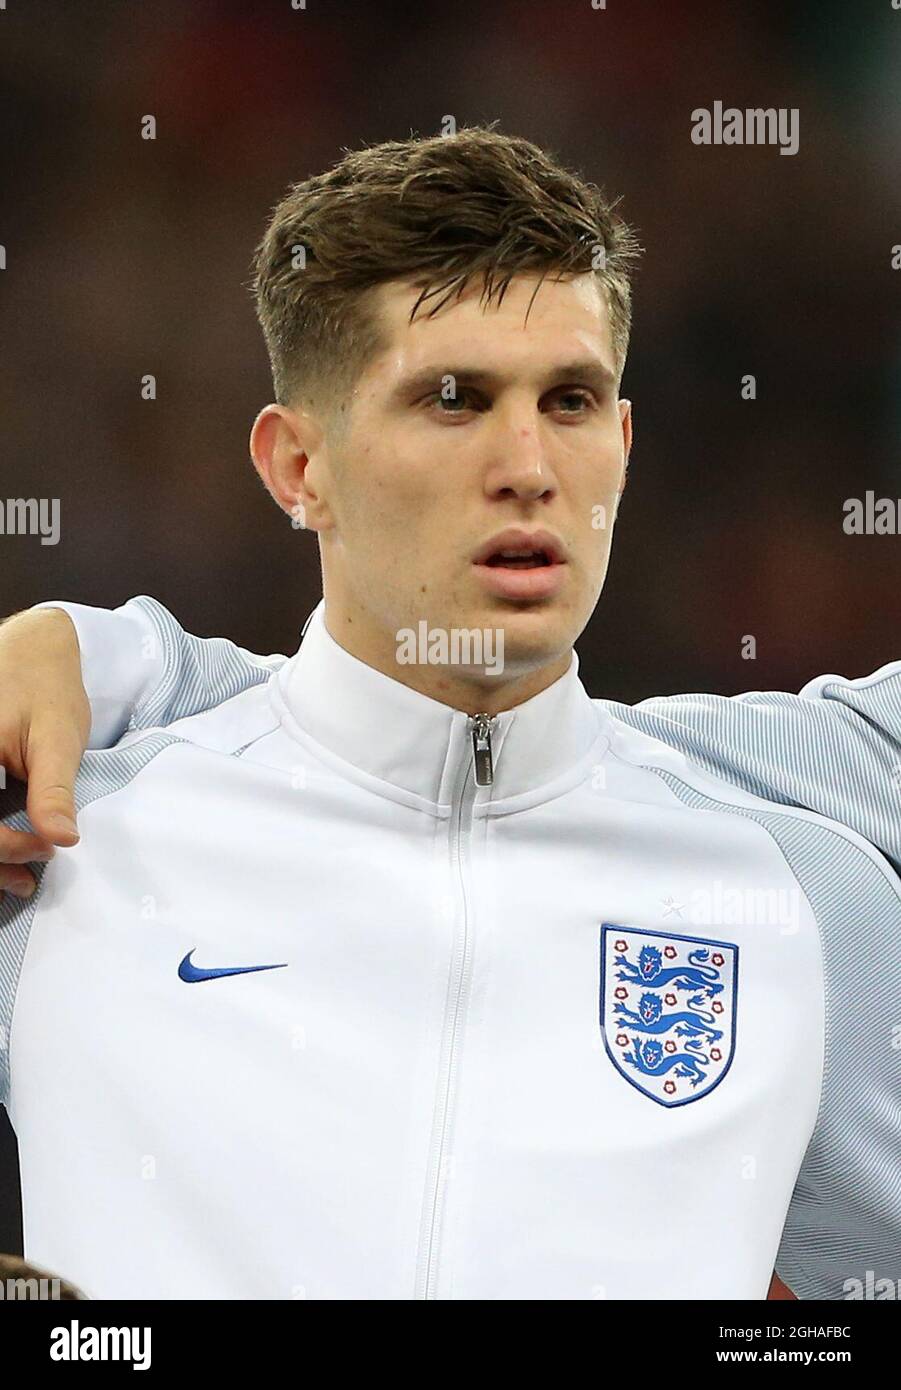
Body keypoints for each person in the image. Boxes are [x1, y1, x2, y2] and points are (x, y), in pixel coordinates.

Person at [1, 126, 898, 1300]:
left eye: (569, 399)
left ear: (622, 445)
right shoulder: (63, 853)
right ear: (296, 468)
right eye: (452, 399)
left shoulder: (804, 895)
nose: (528, 463)